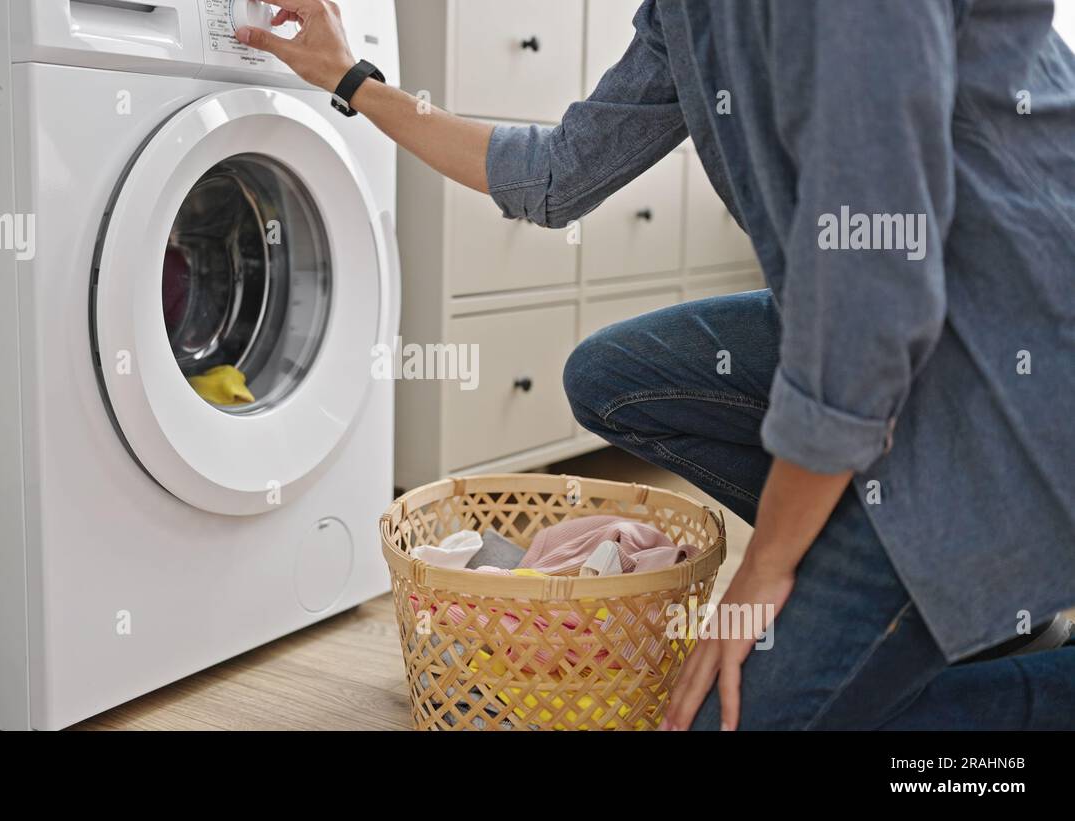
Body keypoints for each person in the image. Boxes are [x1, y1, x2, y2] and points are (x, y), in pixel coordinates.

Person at [237, 0, 1075, 730]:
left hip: (1006, 379)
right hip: (896, 350)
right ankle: (963, 607)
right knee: (612, 374)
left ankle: (987, 612)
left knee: (721, 718)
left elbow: (871, 305)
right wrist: (352, 80)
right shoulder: (686, 13)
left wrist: (768, 566)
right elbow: (556, 173)